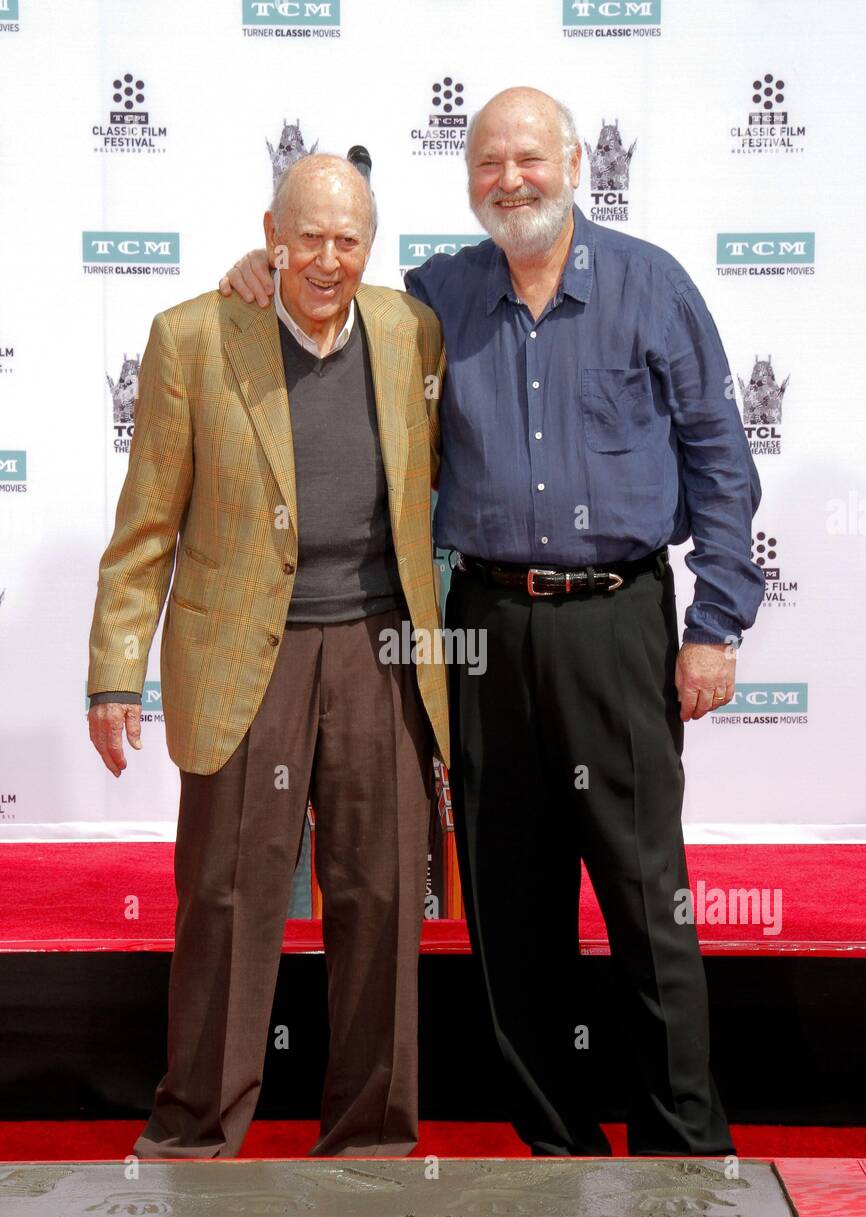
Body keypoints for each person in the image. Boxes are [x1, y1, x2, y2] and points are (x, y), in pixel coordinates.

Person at [219, 87, 765, 1157]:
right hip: (480, 632)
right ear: (467, 182)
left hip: (617, 628)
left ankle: (683, 1148)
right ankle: (556, 1150)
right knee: (511, 914)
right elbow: (324, 302)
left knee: (648, 902)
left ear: (572, 161)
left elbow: (718, 457)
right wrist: (253, 274)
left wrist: (717, 621)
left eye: (527, 157)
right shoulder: (436, 299)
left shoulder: (651, 287)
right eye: (486, 164)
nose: (508, 179)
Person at [87, 154, 447, 1158]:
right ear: (269, 234)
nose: (328, 259)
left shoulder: (410, 329)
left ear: (370, 246)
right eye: (308, 238)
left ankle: (371, 1140)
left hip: (380, 649)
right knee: (227, 898)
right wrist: (118, 667)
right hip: (250, 651)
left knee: (380, 897)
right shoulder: (192, 338)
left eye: (349, 240)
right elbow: (145, 527)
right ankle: (193, 1135)